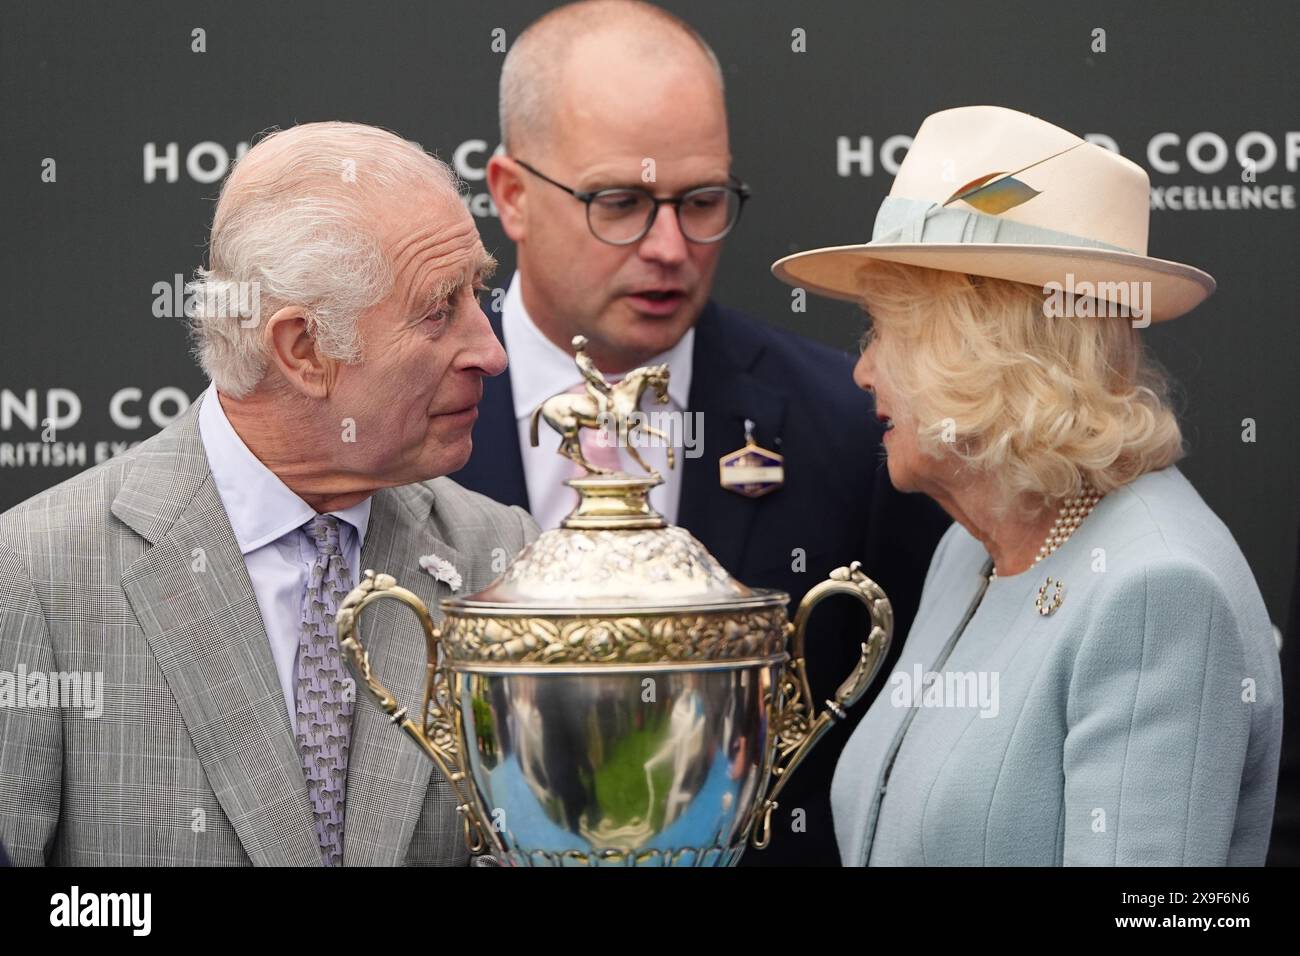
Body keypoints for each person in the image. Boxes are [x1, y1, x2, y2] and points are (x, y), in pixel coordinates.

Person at [452, 0, 949, 866]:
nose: (672, 246)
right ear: (511, 196)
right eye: (621, 203)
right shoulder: (405, 427)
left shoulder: (849, 424)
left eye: (703, 200)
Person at [0, 122, 537, 866]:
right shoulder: (37, 575)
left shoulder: (502, 558)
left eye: (477, 293)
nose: (491, 351)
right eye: (439, 310)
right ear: (303, 349)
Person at [773, 105, 1283, 865]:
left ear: (982, 347)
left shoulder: (1158, 590)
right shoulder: (970, 545)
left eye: (884, 330)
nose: (862, 371)